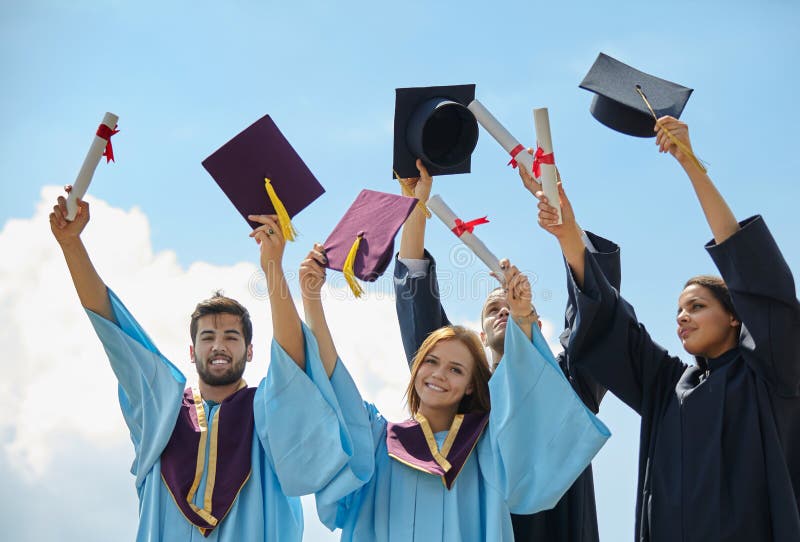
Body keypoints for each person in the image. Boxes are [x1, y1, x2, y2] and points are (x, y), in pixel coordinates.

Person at [251, 211, 610, 542]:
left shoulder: (490, 446)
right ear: (416, 366)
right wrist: (309, 296)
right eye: (432, 362)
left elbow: (529, 408)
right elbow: (327, 374)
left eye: (456, 369)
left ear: (473, 384)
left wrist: (525, 321)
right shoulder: (378, 443)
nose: (439, 374)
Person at [537, 117, 800, 541]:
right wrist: (567, 233)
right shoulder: (667, 387)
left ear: (736, 315)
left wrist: (690, 164)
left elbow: (756, 275)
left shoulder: (769, 373)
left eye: (697, 306)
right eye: (679, 309)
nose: (682, 316)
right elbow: (610, 324)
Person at [49, 192, 309, 541]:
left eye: (231, 336)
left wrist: (273, 267)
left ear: (249, 351)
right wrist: (71, 245)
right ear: (191, 350)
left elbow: (293, 360)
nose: (218, 345)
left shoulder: (268, 413)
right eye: (207, 337)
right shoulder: (161, 411)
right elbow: (115, 329)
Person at [393, 158, 621, 541]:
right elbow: (425, 332)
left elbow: (598, 312)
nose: (502, 312)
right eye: (492, 310)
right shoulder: (468, 396)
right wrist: (416, 207)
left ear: (535, 322)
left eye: (509, 306)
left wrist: (565, 221)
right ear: (481, 336)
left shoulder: (568, 383)